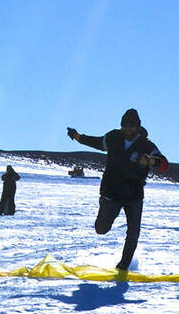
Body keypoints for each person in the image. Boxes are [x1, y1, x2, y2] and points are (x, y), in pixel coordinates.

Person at [66, 108, 169, 273]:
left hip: (134, 195)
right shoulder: (113, 137)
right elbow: (97, 142)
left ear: (137, 127)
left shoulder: (146, 145)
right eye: (125, 126)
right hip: (111, 193)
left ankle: (123, 268)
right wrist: (78, 137)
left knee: (133, 232)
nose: (128, 129)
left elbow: (164, 164)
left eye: (131, 126)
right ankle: (104, 218)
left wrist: (150, 160)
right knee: (101, 229)